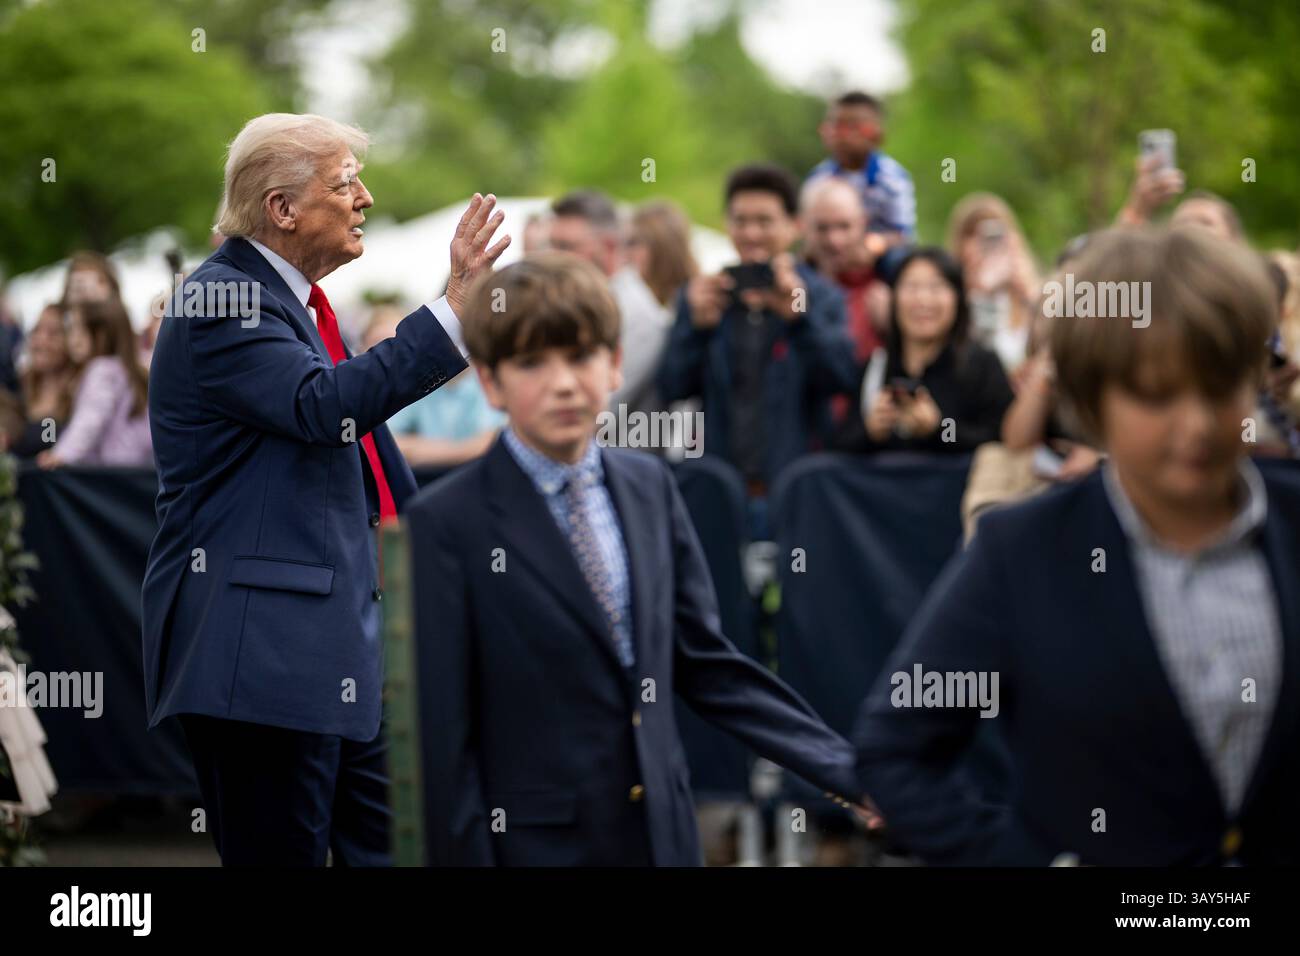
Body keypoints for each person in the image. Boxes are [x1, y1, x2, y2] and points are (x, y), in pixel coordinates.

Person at [406, 252, 877, 866]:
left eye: (580, 356)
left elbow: (707, 663)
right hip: (533, 850)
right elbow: (445, 743)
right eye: (531, 363)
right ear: (491, 383)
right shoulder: (447, 522)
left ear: (614, 366)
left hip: (661, 838)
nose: (564, 382)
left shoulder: (649, 487)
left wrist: (848, 770)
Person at [853, 226, 1300, 866]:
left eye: (1219, 388)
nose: (1196, 425)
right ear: (1093, 399)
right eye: (1156, 394)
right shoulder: (1024, 553)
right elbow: (896, 748)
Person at [140, 112, 509, 866]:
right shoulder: (221, 300)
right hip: (260, 658)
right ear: (282, 209)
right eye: (345, 183)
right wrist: (452, 310)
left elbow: (367, 457)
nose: (365, 197)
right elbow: (324, 407)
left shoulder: (300, 304)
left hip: (334, 652)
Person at [657, 163, 858, 505]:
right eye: (740, 221)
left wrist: (798, 319)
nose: (751, 234)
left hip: (796, 487)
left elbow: (842, 379)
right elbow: (672, 387)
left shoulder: (819, 296)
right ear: (727, 224)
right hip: (721, 487)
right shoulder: (706, 296)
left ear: (794, 226)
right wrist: (696, 329)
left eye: (764, 221)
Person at [833, 247, 1013, 455]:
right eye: (911, 287)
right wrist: (871, 430)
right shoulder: (877, 365)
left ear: (958, 298)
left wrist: (940, 428)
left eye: (936, 288)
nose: (923, 300)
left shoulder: (982, 363)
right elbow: (841, 445)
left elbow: (1000, 440)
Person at [548, 189, 669, 420]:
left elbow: (594, 414)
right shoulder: (579, 298)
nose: (553, 257)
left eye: (566, 246)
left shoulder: (638, 316)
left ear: (610, 247)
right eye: (552, 244)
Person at [362, 304, 504, 467]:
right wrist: (462, 449)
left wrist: (418, 449)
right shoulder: (420, 382)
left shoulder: (486, 381)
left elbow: (490, 444)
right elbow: (385, 442)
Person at [37, 298, 152, 468]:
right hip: (136, 469)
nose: (72, 339)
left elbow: (90, 421)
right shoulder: (128, 369)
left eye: (78, 329)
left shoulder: (101, 371)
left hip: (110, 472)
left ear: (100, 336)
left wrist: (61, 454)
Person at [946, 193, 1040, 372]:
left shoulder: (1031, 293)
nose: (984, 244)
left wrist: (1028, 294)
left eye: (995, 234)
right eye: (973, 234)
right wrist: (982, 294)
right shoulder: (947, 299)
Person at [805, 91, 916, 242]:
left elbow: (902, 233)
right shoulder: (818, 179)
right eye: (836, 126)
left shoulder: (892, 178)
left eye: (853, 128)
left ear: (877, 135)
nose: (843, 135)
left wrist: (872, 247)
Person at [1, 304, 76, 459]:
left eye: (53, 334)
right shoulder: (19, 385)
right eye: (37, 330)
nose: (40, 341)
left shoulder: (81, 391)